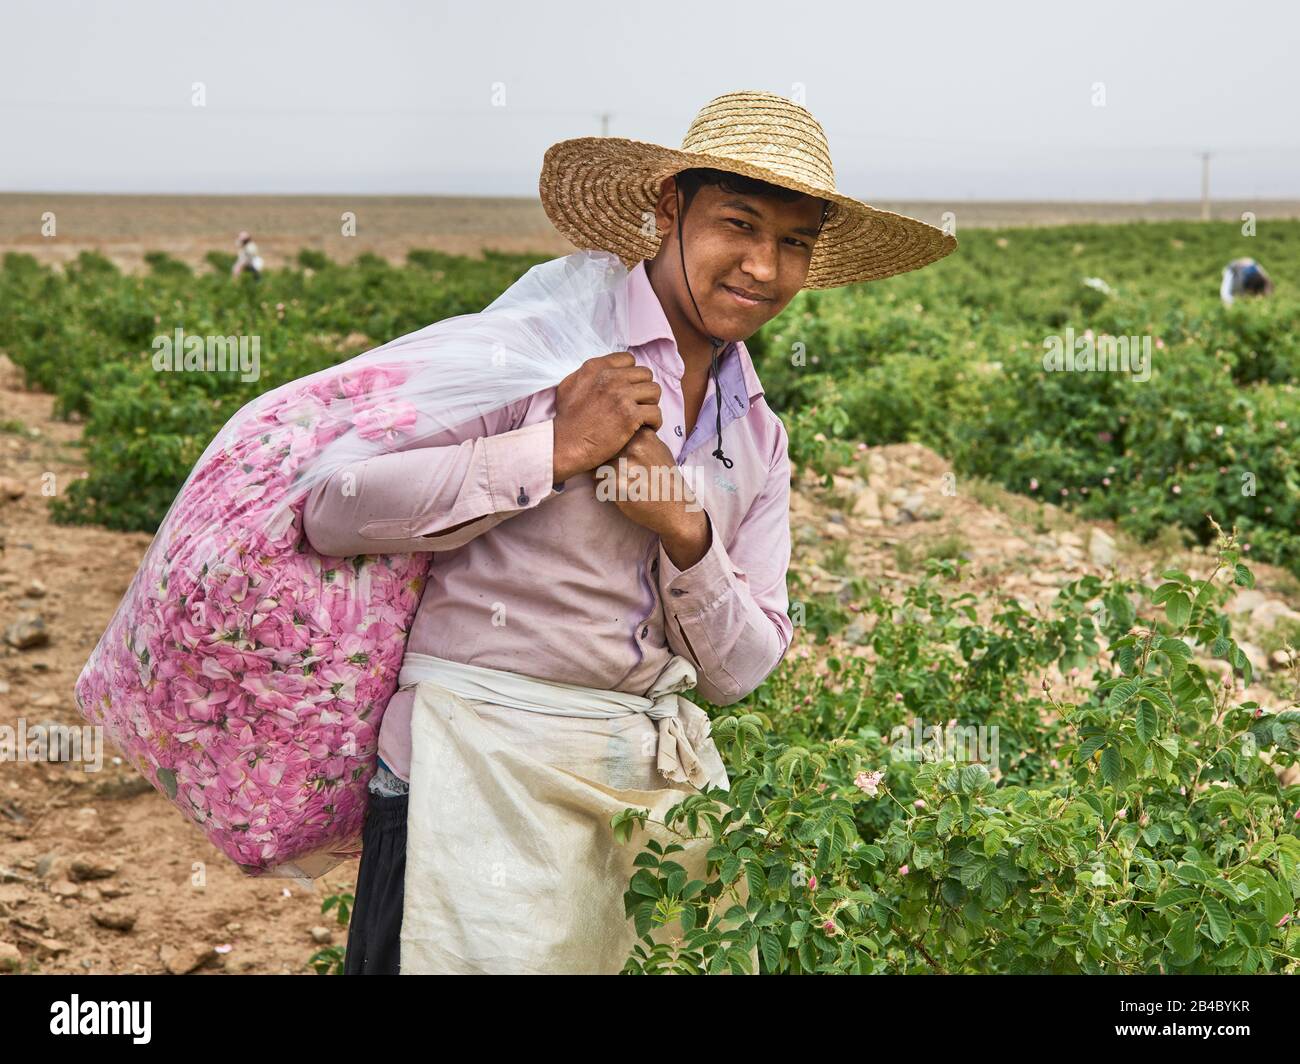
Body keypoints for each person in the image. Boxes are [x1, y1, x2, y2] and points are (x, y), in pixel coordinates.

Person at [304, 89, 955, 974]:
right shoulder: (541, 346)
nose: (763, 267)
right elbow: (336, 506)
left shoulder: (757, 434)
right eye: (740, 224)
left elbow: (744, 668)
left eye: (794, 241)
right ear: (667, 210)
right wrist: (556, 447)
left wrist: (689, 535)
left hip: (646, 793)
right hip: (472, 772)